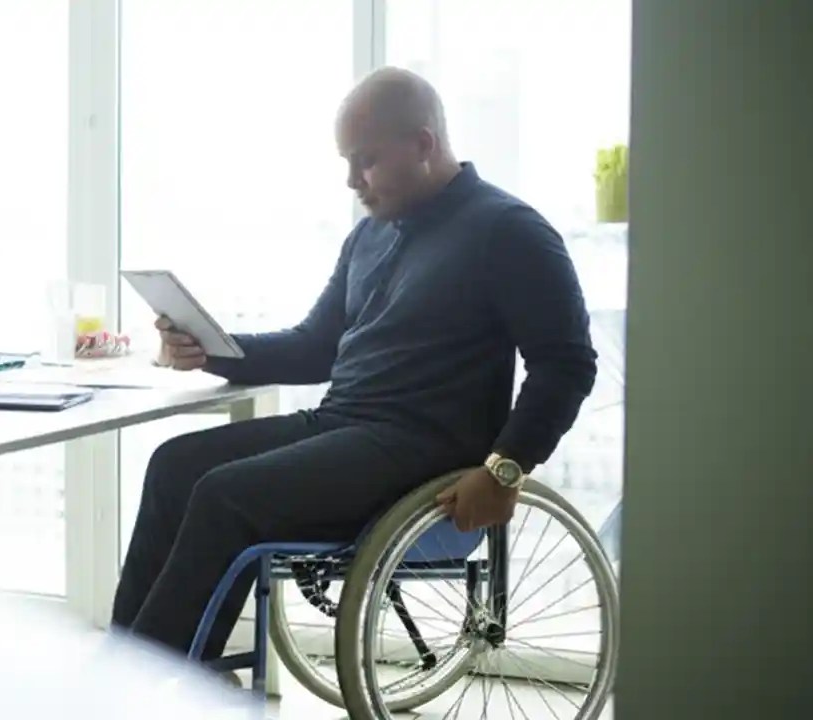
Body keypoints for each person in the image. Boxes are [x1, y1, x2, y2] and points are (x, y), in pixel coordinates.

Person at [111, 67, 597, 662]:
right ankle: (124, 665)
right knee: (173, 464)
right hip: (343, 425)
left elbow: (566, 364)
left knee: (224, 495)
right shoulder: (370, 235)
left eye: (365, 161)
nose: (351, 181)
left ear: (423, 145)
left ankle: (150, 689)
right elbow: (315, 347)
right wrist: (208, 348)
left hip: (424, 446)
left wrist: (505, 470)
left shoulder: (510, 231)